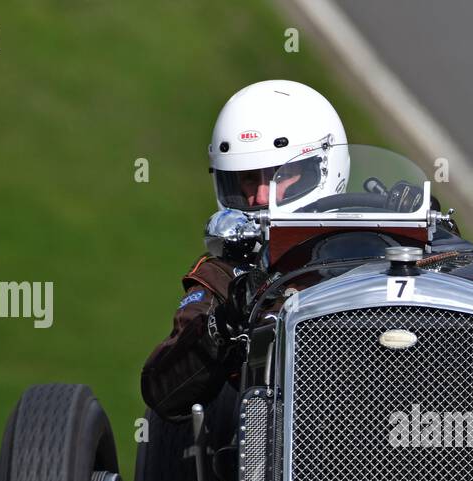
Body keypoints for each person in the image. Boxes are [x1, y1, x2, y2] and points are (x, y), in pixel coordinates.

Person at [140, 80, 349, 420]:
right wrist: (224, 322)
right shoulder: (226, 273)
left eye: (283, 176)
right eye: (250, 178)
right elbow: (163, 394)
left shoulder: (391, 250)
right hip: (270, 446)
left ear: (325, 168)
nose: (262, 197)